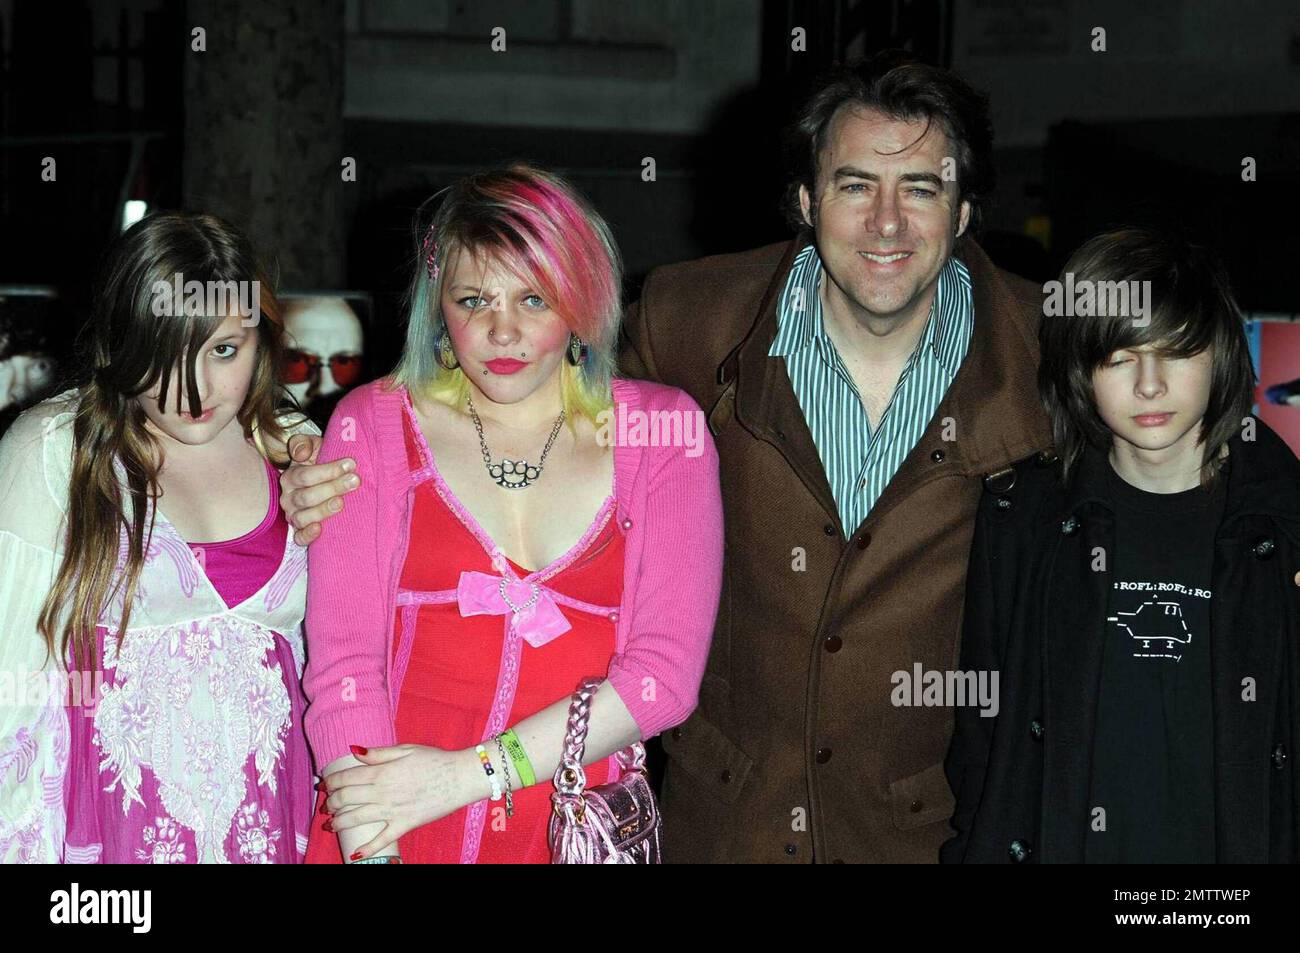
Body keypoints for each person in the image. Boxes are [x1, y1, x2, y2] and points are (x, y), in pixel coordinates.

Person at [280, 53, 1300, 863]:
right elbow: (520, 395)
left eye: (921, 188)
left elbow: (1202, 438)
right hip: (719, 824)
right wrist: (294, 440)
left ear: (966, 208)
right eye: (854, 185)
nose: (888, 222)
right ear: (805, 200)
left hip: (924, 828)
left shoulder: (1047, 345)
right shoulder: (689, 317)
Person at [300, 165, 723, 863]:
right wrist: (375, 841)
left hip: (568, 826)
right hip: (386, 822)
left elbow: (666, 678)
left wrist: (464, 777)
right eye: (473, 300)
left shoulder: (664, 432)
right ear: (439, 308)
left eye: (534, 299)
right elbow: (343, 665)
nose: (502, 331)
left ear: (583, 299)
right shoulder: (373, 422)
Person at [944, 228, 1300, 863]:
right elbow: (980, 733)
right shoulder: (1020, 516)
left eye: (1177, 353)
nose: (1150, 385)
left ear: (1219, 356)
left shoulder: (1283, 524)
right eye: (1120, 356)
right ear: (1079, 368)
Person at [0, 211, 318, 863]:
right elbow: (10, 693)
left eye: (224, 349)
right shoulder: (51, 451)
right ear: (121, 342)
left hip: (272, 835)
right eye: (165, 351)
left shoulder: (294, 449)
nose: (195, 387)